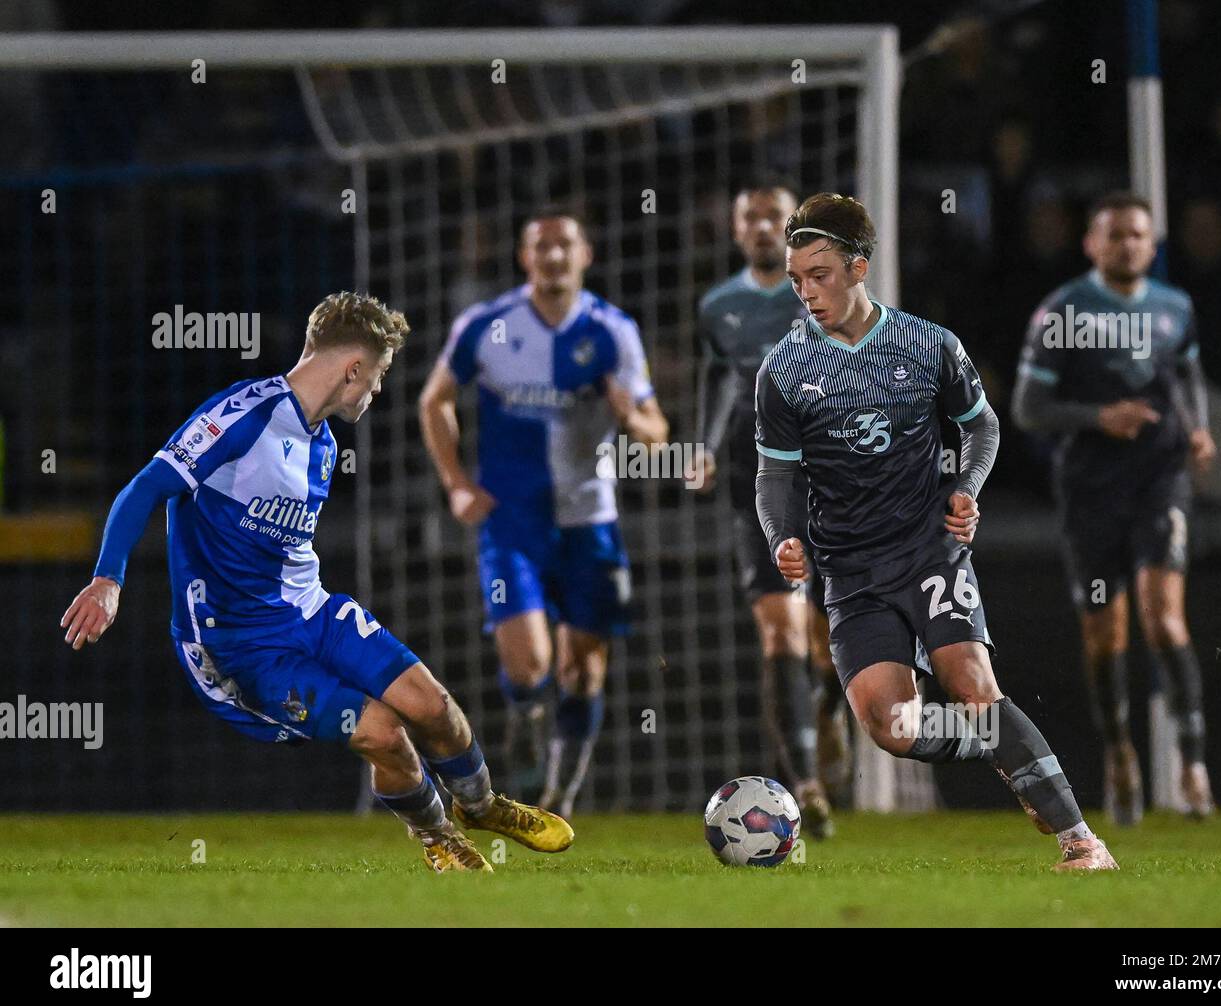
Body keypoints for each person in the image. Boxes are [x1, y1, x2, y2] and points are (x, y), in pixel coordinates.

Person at [61, 292, 573, 873]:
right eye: (378, 376)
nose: (377, 391)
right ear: (354, 368)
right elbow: (146, 487)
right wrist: (108, 579)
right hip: (242, 645)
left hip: (313, 612)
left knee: (433, 707)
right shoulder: (243, 415)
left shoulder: (324, 445)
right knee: (383, 735)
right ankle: (439, 839)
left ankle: (481, 806)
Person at [755, 192, 1116, 871]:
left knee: (971, 680)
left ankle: (1082, 843)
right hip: (850, 571)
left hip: (927, 550)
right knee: (894, 730)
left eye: (819, 274)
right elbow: (775, 476)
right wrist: (782, 535)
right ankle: (1005, 746)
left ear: (859, 268)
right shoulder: (783, 370)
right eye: (796, 277)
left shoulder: (928, 345)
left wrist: (967, 489)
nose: (805, 291)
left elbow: (982, 425)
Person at [420, 210, 668, 817]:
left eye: (565, 245)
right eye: (542, 246)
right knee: (530, 662)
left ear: (586, 254)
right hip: (513, 522)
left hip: (590, 522)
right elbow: (435, 401)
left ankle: (561, 794)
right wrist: (455, 483)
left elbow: (656, 429)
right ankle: (527, 716)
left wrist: (633, 418)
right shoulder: (487, 326)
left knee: (583, 669)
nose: (554, 256)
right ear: (524, 257)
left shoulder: (614, 331)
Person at [1011, 191, 1216, 824]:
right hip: (1091, 490)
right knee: (1107, 634)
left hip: (1158, 482)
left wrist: (1198, 430)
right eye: (1116, 234)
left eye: (1138, 235)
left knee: (1165, 622)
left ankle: (1192, 768)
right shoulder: (1063, 311)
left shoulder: (1174, 306)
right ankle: (1119, 755)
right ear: (1091, 244)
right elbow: (1027, 409)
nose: (1128, 244)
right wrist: (1100, 417)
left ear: (1153, 245)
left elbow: (1185, 379)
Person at [691, 183, 845, 835]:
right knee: (779, 630)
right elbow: (716, 376)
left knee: (828, 636)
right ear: (734, 230)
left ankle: (829, 711)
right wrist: (700, 445)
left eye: (772, 216)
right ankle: (806, 784)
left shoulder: (824, 294)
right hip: (755, 483)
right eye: (748, 215)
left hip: (830, 479)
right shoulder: (718, 306)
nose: (760, 226)